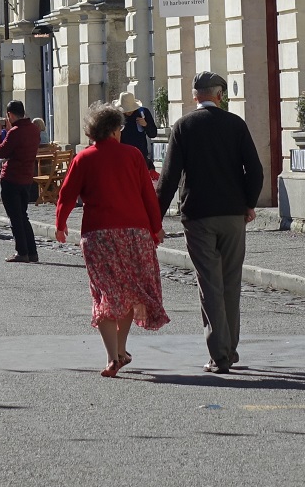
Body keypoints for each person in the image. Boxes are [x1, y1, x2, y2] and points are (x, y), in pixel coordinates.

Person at [156, 71, 263, 375]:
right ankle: (229, 349)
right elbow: (255, 170)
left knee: (210, 285)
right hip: (232, 215)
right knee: (231, 283)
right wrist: (249, 203)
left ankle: (219, 355)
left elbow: (169, 178)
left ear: (194, 96)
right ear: (219, 95)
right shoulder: (235, 124)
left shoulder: (184, 126)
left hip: (199, 214)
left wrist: (155, 219)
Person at [56, 102, 169, 377]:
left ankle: (113, 357)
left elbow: (67, 195)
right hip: (135, 233)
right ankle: (120, 350)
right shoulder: (132, 155)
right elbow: (148, 196)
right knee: (129, 293)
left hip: (99, 234)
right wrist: (156, 228)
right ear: (116, 131)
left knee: (105, 294)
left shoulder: (83, 158)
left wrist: (60, 224)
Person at [0, 100, 41, 263]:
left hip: (12, 177)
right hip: (26, 177)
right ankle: (32, 251)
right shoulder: (34, 129)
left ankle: (22, 252)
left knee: (15, 217)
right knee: (23, 215)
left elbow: (1, 152)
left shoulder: (15, 132)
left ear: (10, 115)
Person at [119, 91, 159, 169]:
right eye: (126, 110)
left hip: (141, 156)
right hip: (123, 157)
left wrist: (145, 125)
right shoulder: (117, 116)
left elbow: (153, 134)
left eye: (131, 109)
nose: (129, 111)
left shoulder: (143, 113)